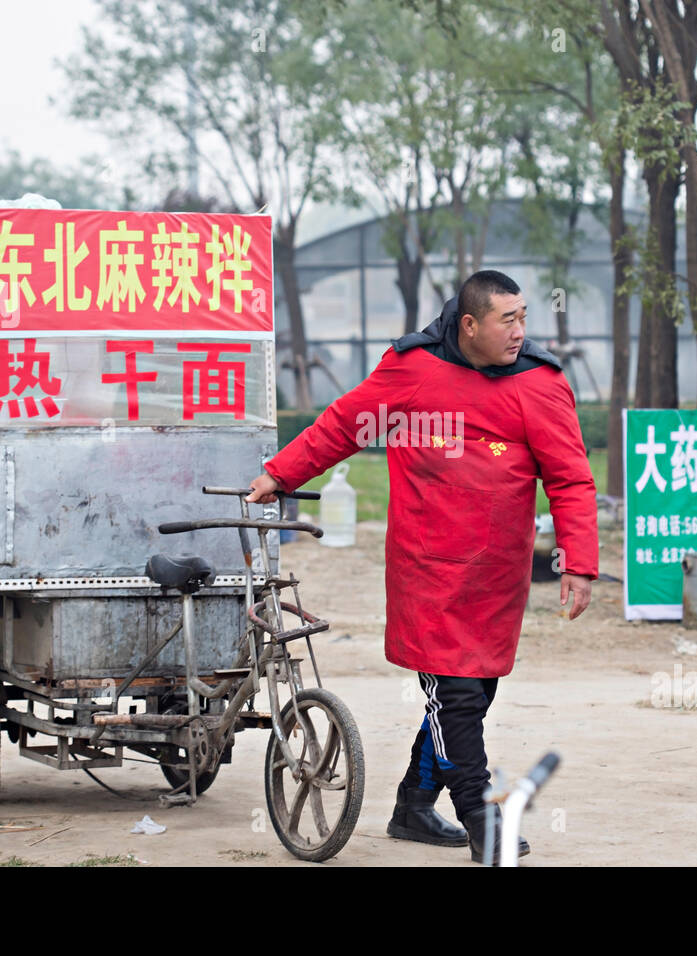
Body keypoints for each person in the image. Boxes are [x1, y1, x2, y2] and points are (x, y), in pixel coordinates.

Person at [247, 269, 598, 864]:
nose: (520, 331)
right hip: (428, 571)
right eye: (506, 320)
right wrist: (281, 474)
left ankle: (413, 804)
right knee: (456, 697)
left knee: (471, 694)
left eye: (524, 318)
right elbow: (343, 424)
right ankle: (483, 819)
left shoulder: (539, 383)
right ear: (468, 324)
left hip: (496, 574)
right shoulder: (412, 369)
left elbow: (570, 477)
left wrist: (579, 564)